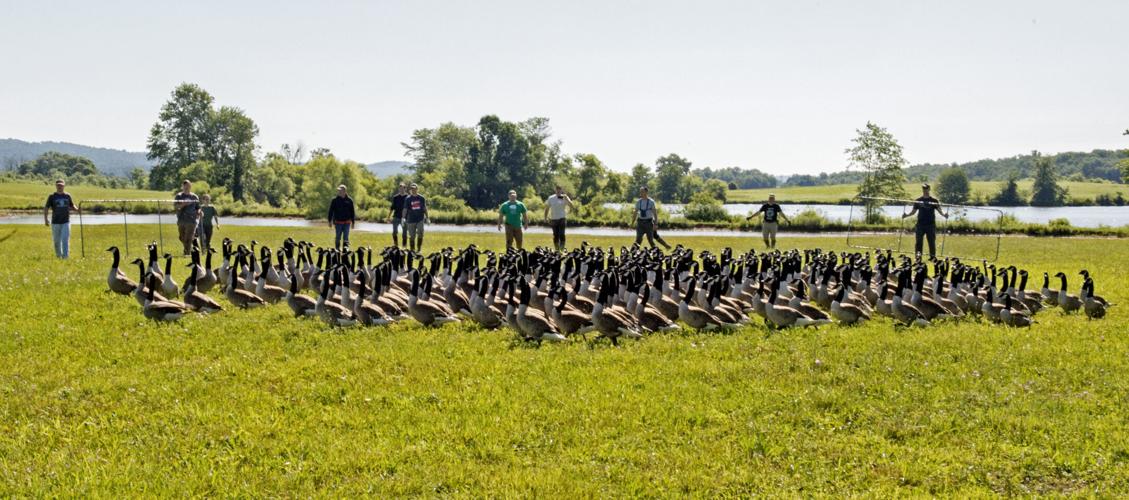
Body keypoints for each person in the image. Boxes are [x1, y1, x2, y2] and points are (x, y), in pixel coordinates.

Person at [902, 183, 949, 259]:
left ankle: (932, 258)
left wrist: (944, 215)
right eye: (924, 188)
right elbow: (913, 212)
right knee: (918, 242)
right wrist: (906, 215)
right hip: (920, 225)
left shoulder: (934, 201)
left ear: (929, 189)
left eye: (926, 188)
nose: (925, 190)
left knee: (931, 242)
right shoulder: (918, 201)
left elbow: (940, 210)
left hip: (930, 225)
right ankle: (918, 258)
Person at [43, 179, 78, 259]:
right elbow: (46, 208)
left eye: (61, 185)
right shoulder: (52, 196)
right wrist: (46, 219)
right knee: (56, 241)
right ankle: (58, 256)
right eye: (58, 185)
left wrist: (77, 209)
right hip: (55, 222)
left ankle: (65, 257)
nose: (60, 187)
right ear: (56, 186)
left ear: (64, 186)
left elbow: (72, 205)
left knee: (65, 239)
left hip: (66, 221)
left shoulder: (67, 196)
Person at [174, 180, 201, 255]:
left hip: (192, 220)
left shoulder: (194, 196)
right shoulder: (179, 196)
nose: (187, 187)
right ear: (182, 186)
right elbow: (176, 207)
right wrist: (183, 204)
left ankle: (187, 253)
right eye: (185, 186)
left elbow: (198, 207)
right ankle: (192, 247)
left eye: (188, 186)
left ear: (190, 186)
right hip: (181, 219)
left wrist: (199, 212)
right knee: (182, 238)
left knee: (188, 238)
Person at [543, 186, 574, 250]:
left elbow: (572, 206)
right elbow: (547, 208)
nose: (558, 191)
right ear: (555, 190)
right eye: (557, 189)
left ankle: (562, 249)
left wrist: (567, 199)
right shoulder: (551, 198)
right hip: (553, 219)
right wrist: (545, 218)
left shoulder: (564, 197)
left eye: (559, 189)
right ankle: (557, 249)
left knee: (562, 234)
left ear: (561, 190)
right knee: (555, 235)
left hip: (562, 218)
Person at [327, 184, 356, 250]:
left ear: (345, 191)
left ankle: (345, 251)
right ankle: (337, 250)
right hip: (338, 223)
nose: (339, 192)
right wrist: (329, 221)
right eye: (338, 191)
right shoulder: (334, 200)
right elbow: (331, 211)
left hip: (347, 223)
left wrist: (353, 222)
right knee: (338, 237)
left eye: (340, 190)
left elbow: (352, 212)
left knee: (346, 238)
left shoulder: (350, 200)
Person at [401, 183, 428, 252]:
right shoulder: (408, 199)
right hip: (411, 220)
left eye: (414, 189)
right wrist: (403, 218)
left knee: (420, 233)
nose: (413, 190)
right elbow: (405, 209)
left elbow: (424, 208)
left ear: (417, 189)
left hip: (420, 219)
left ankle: (419, 249)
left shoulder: (421, 198)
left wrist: (427, 218)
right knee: (412, 236)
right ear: (410, 190)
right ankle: (412, 250)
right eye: (412, 189)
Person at [388, 182, 408, 247]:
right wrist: (388, 217)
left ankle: (404, 246)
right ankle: (396, 245)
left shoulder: (408, 197)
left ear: (405, 189)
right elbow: (392, 208)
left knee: (404, 233)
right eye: (400, 188)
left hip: (404, 218)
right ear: (399, 189)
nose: (401, 190)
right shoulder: (395, 197)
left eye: (403, 188)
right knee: (394, 232)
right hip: (396, 217)